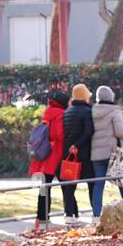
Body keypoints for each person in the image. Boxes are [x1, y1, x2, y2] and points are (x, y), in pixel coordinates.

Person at [90, 85, 123, 214]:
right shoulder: (115, 111)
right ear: (111, 96)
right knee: (121, 182)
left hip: (96, 153)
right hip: (113, 153)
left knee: (98, 185)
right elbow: (120, 133)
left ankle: (96, 214)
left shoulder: (92, 111)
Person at [30, 90, 68, 225]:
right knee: (66, 185)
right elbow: (59, 134)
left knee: (44, 186)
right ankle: (69, 213)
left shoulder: (48, 112)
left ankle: (41, 215)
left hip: (44, 154)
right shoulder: (61, 114)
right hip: (55, 154)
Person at [60, 83, 96, 224]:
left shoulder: (67, 111)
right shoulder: (87, 112)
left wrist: (72, 145)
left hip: (68, 151)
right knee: (91, 182)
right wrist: (78, 145)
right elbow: (88, 131)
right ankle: (95, 213)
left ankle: (69, 214)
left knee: (69, 184)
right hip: (84, 152)